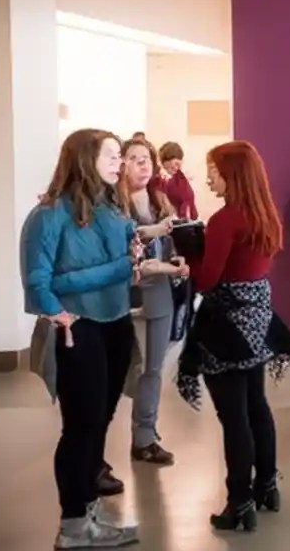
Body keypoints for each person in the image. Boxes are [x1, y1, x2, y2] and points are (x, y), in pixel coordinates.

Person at [22, 129, 141, 549]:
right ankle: (73, 527)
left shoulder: (112, 207)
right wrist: (60, 309)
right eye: (110, 155)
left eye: (120, 156)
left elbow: (124, 264)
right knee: (81, 427)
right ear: (84, 159)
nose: (119, 162)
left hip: (115, 323)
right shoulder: (49, 213)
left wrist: (133, 259)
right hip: (79, 328)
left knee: (100, 423)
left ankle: (88, 512)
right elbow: (38, 282)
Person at [176, 141, 290, 532]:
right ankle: (266, 485)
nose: (208, 176)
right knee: (256, 406)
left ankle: (238, 500)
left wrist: (187, 258)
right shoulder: (263, 213)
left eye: (212, 169)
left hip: (227, 322)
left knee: (233, 417)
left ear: (231, 175)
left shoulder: (226, 219)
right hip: (257, 316)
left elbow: (208, 278)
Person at [119, 139, 189, 466]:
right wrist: (153, 232)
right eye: (134, 159)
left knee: (153, 369)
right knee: (130, 368)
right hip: (127, 296)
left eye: (146, 159)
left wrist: (178, 261)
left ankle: (144, 436)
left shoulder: (159, 200)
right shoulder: (114, 205)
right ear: (122, 165)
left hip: (160, 292)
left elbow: (169, 244)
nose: (142, 165)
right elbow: (125, 242)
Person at [158, 141, 198, 220]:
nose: (177, 168)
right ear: (166, 160)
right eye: (176, 164)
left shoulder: (180, 177)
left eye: (179, 165)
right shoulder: (159, 179)